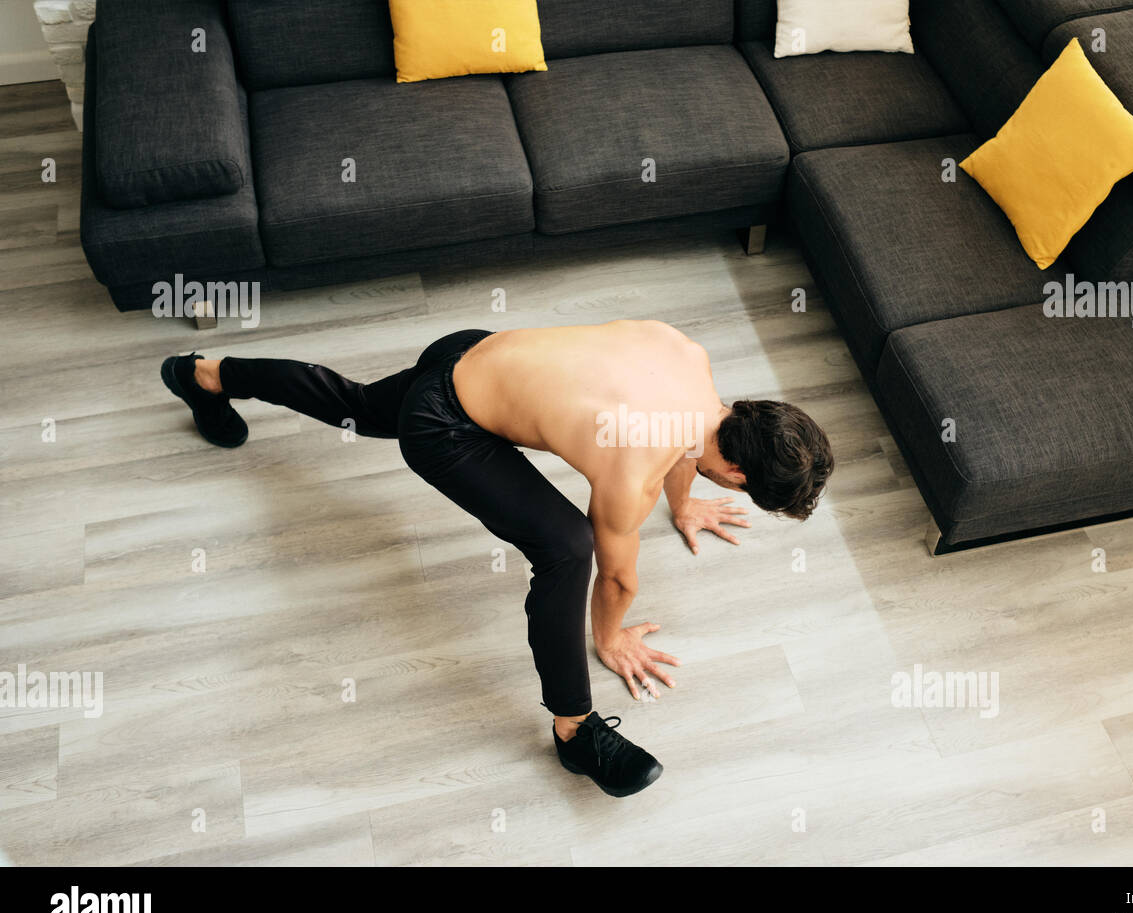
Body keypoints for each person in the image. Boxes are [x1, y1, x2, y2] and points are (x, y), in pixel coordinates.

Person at [161, 320, 833, 797]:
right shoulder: (635, 472)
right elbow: (619, 573)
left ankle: (204, 375)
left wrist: (683, 507)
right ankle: (575, 732)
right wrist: (610, 638)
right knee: (568, 549)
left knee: (362, 408)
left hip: (465, 351)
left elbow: (694, 443)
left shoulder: (685, 355)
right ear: (740, 475)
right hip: (445, 424)